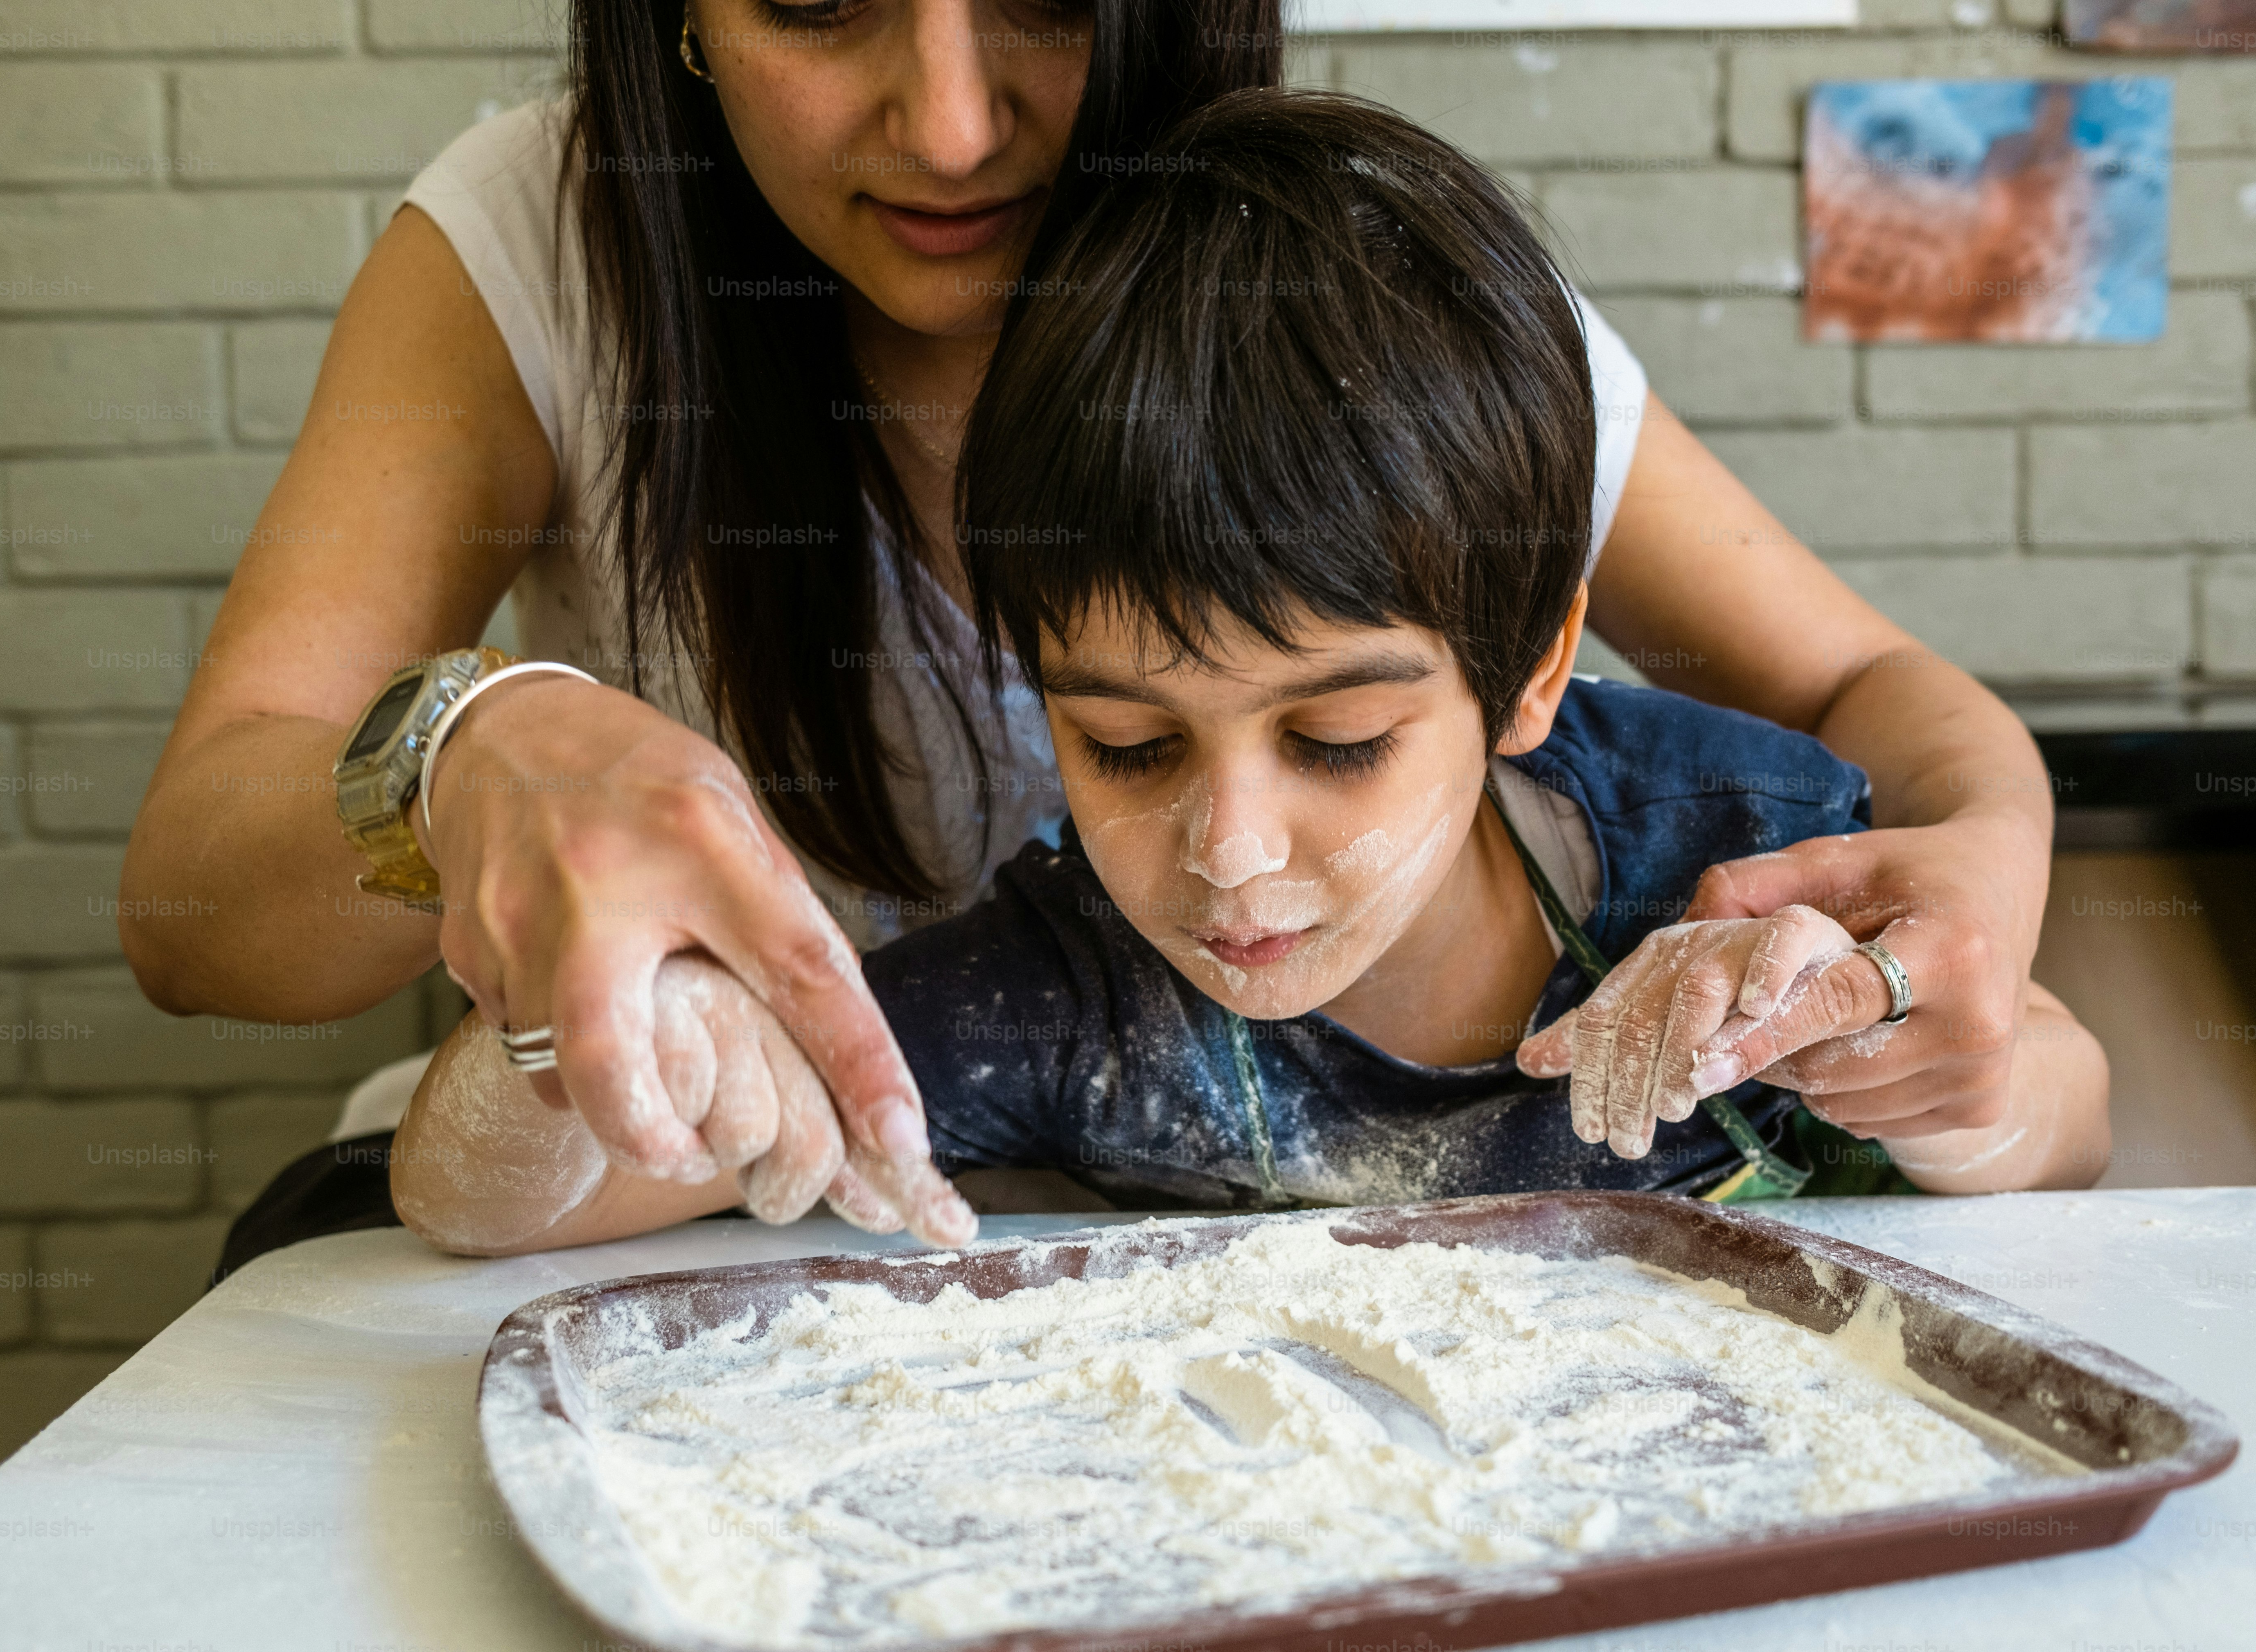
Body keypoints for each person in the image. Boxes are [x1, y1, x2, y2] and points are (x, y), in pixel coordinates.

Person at [120, 0, 2072, 1262]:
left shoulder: (1362, 304)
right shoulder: (550, 247)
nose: (954, 122)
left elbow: (1857, 699)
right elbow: (193, 911)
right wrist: (469, 761)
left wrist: (1973, 893)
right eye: (818, 1)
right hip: (750, 1225)